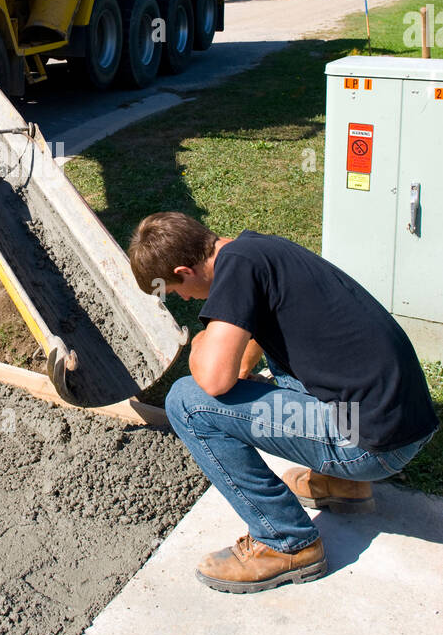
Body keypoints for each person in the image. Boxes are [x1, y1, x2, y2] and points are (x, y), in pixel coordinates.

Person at [128, 212, 438, 594]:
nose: (187, 300)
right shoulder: (256, 250)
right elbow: (243, 360)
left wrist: (198, 342)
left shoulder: (235, 272)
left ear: (184, 271)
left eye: (178, 292)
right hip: (399, 420)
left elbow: (213, 378)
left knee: (187, 402)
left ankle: (286, 542)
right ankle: (340, 484)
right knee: (274, 340)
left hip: (367, 442)